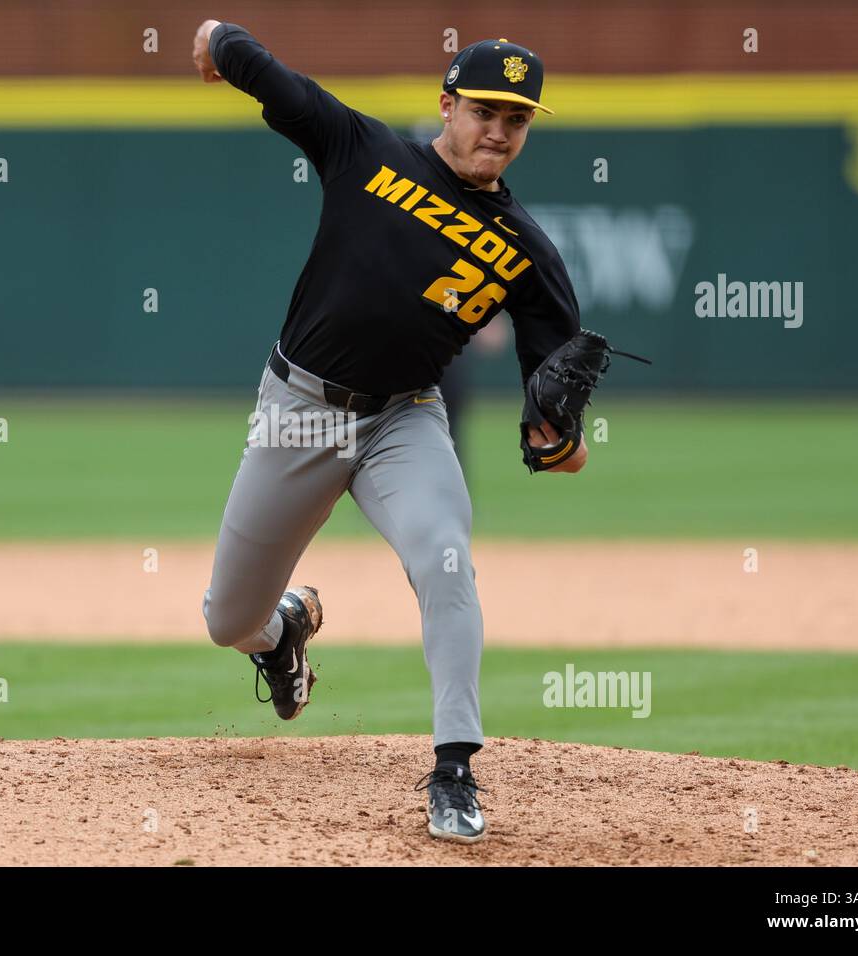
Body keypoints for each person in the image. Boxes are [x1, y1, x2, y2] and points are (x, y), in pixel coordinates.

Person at [193, 20, 585, 843]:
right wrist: (217, 40)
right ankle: (282, 631)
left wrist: (561, 441)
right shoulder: (365, 150)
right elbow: (277, 80)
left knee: (445, 558)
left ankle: (454, 771)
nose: (498, 132)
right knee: (228, 619)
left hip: (402, 420)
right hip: (297, 412)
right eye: (484, 110)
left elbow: (556, 405)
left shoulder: (525, 250)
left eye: (517, 120)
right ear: (446, 105)